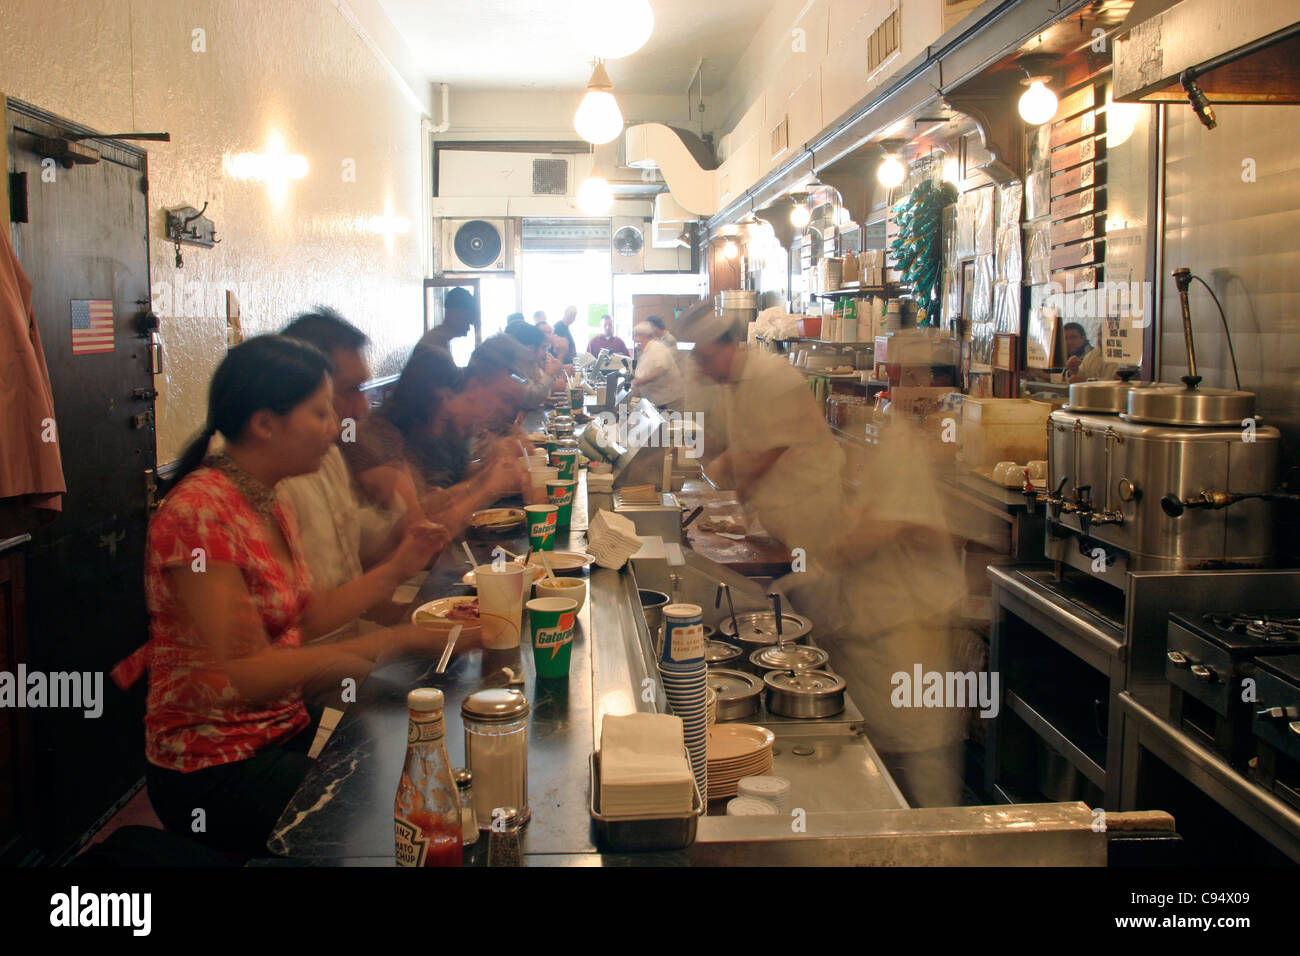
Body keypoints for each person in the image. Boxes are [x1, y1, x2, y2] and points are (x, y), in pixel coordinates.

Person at [110, 336, 452, 857]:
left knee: (404, 746)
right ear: (265, 423)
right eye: (319, 412)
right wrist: (391, 643)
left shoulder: (265, 498)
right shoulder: (200, 513)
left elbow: (304, 618)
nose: (336, 426)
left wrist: (400, 566)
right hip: (215, 764)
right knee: (376, 826)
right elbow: (244, 670)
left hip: (280, 727)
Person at [681, 303, 969, 808]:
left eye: (904, 378)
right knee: (870, 744)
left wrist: (817, 565)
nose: (894, 388)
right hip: (867, 609)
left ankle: (930, 840)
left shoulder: (907, 440)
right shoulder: (884, 431)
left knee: (919, 757)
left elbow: (883, 526)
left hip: (904, 624)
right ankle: (879, 824)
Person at [277, 308, 407, 643]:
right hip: (309, 669)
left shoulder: (329, 454)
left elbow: (356, 546)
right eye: (352, 389)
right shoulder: (264, 477)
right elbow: (295, 627)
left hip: (350, 637)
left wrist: (409, 522)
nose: (364, 406)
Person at [342, 343, 529, 537]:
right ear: (426, 397)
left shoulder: (400, 434)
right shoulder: (373, 439)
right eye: (446, 398)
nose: (451, 408)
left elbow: (438, 499)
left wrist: (492, 471)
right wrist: (490, 488)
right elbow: (419, 532)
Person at [630, 320, 685, 409]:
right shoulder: (646, 351)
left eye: (636, 336)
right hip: (656, 401)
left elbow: (661, 369)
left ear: (644, 336)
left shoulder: (657, 348)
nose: (634, 339)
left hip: (667, 402)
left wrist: (640, 381)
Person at [418, 286, 478, 358]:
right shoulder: (434, 345)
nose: (468, 328)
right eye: (467, 321)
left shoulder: (437, 341)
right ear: (454, 314)